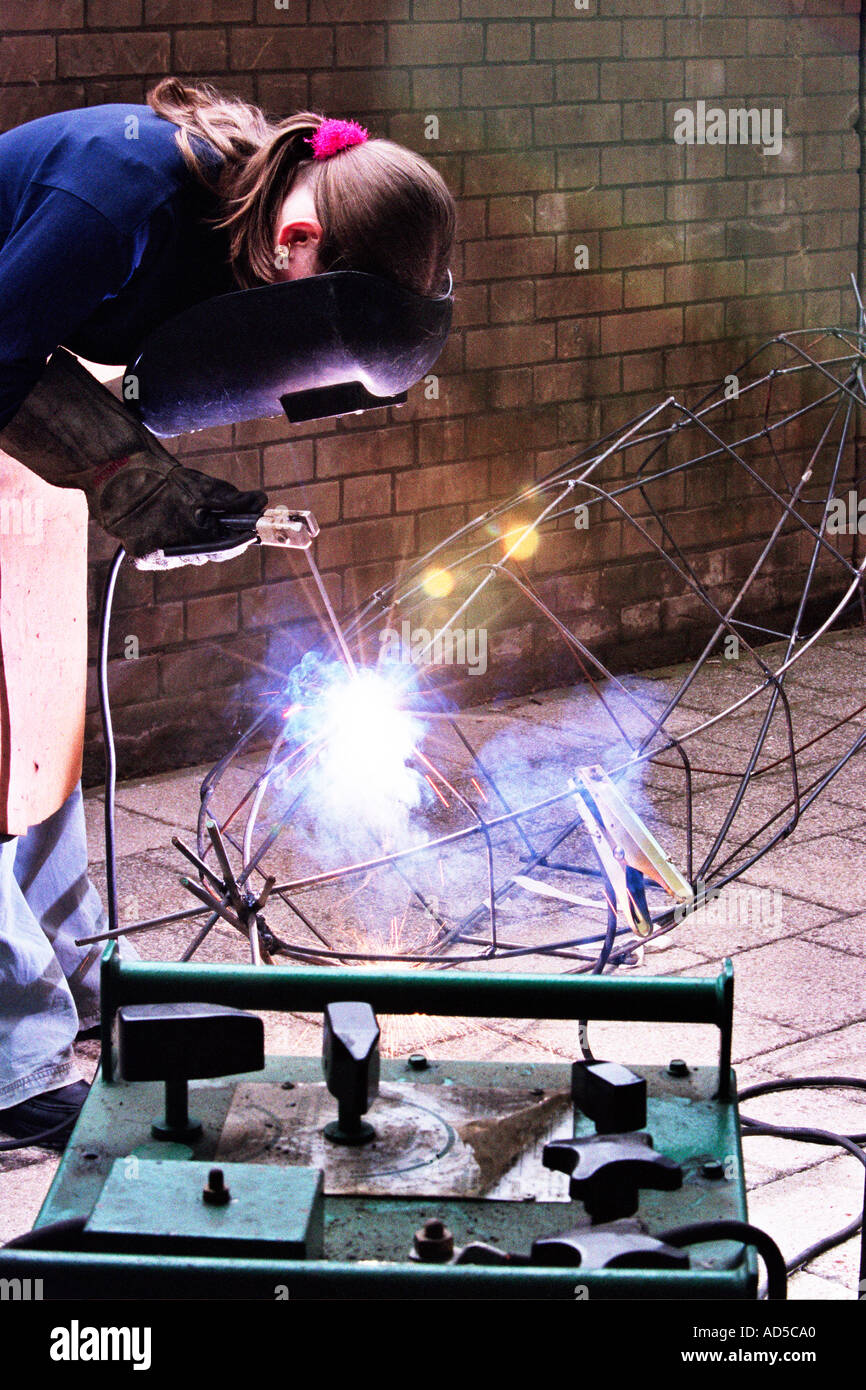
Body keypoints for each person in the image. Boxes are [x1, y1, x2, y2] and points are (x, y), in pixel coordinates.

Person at [0, 78, 456, 1149]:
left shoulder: (251, 209)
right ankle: (12, 1067)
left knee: (42, 717)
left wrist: (142, 467)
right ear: (303, 232)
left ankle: (71, 979)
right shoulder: (121, 197)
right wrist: (115, 464)